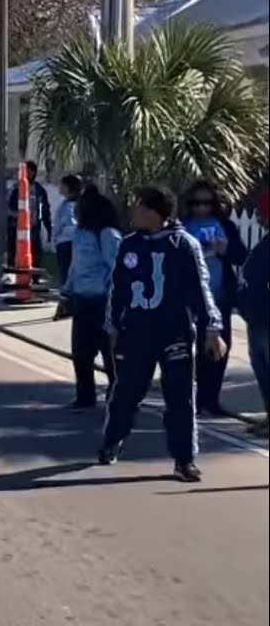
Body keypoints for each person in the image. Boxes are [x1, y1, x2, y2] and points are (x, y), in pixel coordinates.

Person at [100, 186, 225, 483]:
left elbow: (200, 290)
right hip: (137, 333)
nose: (133, 212)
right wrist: (113, 325)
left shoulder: (184, 245)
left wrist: (212, 328)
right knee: (127, 392)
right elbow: (117, 288)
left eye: (139, 207)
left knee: (180, 397)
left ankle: (184, 460)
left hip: (174, 333)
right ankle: (112, 440)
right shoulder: (129, 245)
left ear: (154, 213)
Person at [180, 180, 248, 416]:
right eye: (196, 203)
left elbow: (241, 256)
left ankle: (211, 399)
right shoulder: (182, 227)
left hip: (219, 297)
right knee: (192, 349)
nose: (201, 208)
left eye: (207, 203)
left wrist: (224, 250)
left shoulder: (225, 226)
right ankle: (193, 399)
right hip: (189, 297)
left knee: (218, 349)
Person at [61, 188, 121, 409]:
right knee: (81, 354)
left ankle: (116, 397)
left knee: (110, 354)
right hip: (82, 300)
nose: (76, 209)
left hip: (103, 302)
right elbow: (75, 267)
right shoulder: (80, 234)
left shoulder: (107, 234)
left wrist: (113, 296)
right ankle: (85, 397)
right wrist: (66, 292)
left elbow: (117, 267)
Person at [236, 189, 268, 437]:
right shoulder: (264, 244)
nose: (258, 216)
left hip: (265, 319)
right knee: (262, 369)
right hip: (256, 318)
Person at [6, 161, 52, 268]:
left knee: (35, 256)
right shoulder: (15, 188)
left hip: (34, 229)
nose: (28, 174)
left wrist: (48, 227)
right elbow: (8, 207)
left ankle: (35, 278)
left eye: (30, 171)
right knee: (14, 255)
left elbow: (44, 209)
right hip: (15, 228)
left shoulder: (39, 190)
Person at [52, 174, 82, 286]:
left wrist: (57, 234)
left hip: (66, 242)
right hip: (68, 242)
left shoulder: (69, 205)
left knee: (66, 271)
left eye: (62, 184)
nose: (59, 187)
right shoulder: (70, 203)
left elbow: (68, 223)